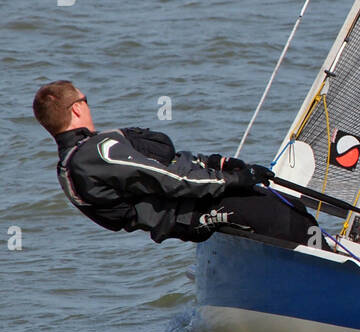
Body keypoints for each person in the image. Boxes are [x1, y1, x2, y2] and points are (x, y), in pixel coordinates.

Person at [32, 80, 319, 246]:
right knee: (285, 211)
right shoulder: (98, 152)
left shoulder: (69, 164)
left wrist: (215, 162)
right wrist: (235, 180)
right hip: (192, 213)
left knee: (277, 206)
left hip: (186, 214)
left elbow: (163, 165)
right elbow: (172, 180)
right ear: (78, 108)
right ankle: (332, 263)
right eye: (86, 99)